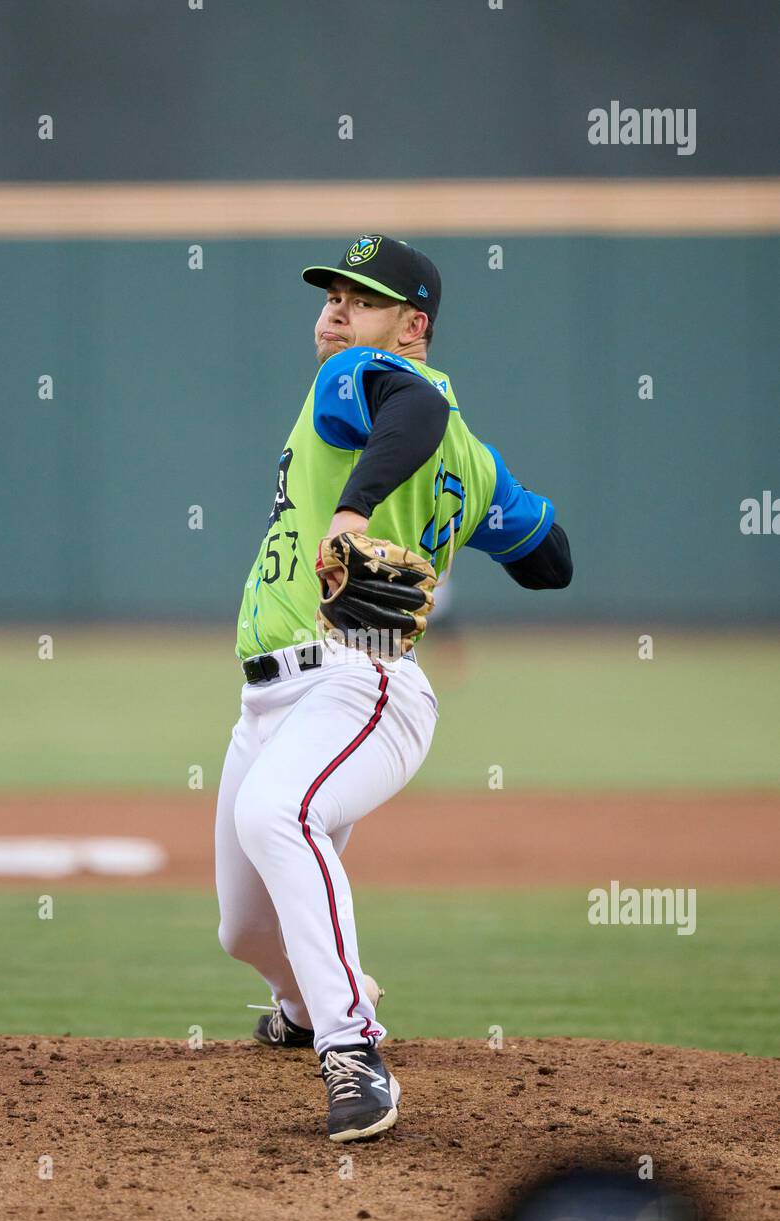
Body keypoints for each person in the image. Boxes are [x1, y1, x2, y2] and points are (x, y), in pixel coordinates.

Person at [215, 234, 572, 1142]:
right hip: (272, 700)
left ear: (412, 327)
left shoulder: (365, 376)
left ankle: (355, 1051)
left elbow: (406, 404)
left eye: (361, 299)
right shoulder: (472, 459)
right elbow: (552, 561)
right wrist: (472, 502)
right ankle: (304, 1012)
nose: (335, 313)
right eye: (331, 296)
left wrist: (353, 512)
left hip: (359, 678)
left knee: (277, 817)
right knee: (244, 932)